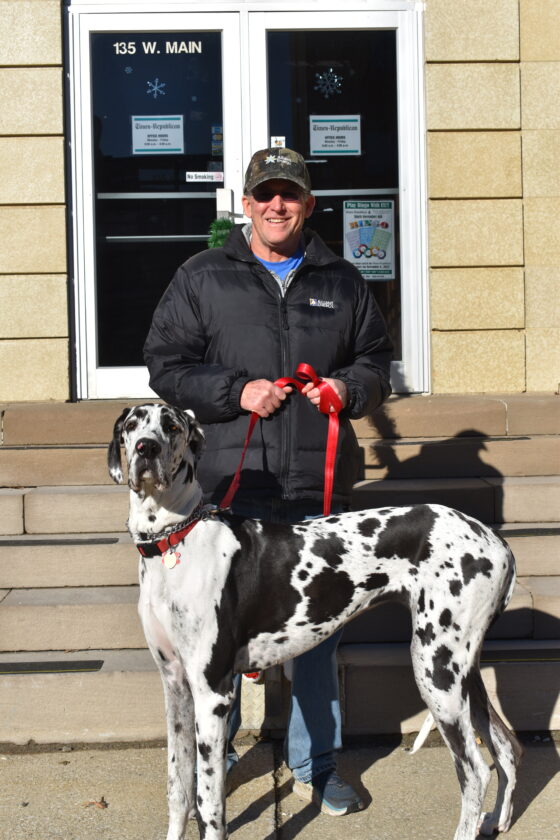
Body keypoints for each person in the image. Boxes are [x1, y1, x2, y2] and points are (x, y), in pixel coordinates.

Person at [143, 147, 392, 816]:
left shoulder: (340, 280)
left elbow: (377, 362)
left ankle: (318, 764)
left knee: (318, 635)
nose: (277, 205)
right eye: (265, 194)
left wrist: (349, 387)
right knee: (209, 641)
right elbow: (165, 365)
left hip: (315, 491)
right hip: (229, 491)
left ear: (309, 205)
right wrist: (232, 390)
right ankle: (213, 764)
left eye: (290, 194)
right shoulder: (202, 277)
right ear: (245, 204)